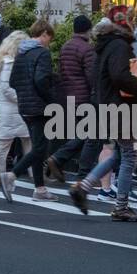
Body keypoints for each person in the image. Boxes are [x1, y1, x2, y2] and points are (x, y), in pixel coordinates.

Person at [69, 8, 137, 222]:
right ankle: (121, 206)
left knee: (119, 153)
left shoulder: (105, 45)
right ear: (124, 24)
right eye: (130, 20)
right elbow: (120, 76)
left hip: (108, 105)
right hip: (120, 106)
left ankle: (83, 187)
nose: (133, 23)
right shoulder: (120, 46)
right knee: (130, 155)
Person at [2, 19, 56, 202]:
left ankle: (40, 189)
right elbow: (41, 80)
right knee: (40, 147)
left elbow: (11, 82)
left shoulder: (21, 53)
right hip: (39, 106)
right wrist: (51, 98)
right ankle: (12, 175)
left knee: (37, 147)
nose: (49, 41)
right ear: (44, 34)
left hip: (24, 105)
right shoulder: (42, 54)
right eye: (49, 37)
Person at [46, 14, 97, 185]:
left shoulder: (66, 47)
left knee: (84, 134)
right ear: (88, 30)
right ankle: (72, 167)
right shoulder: (87, 49)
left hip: (69, 96)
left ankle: (61, 160)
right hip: (84, 97)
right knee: (91, 135)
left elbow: (62, 72)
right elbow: (91, 76)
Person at [0, 30, 30, 187]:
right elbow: (7, 88)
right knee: (16, 141)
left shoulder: (4, 61)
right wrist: (23, 98)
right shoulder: (9, 62)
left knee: (8, 142)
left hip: (9, 108)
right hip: (13, 108)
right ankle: (34, 172)